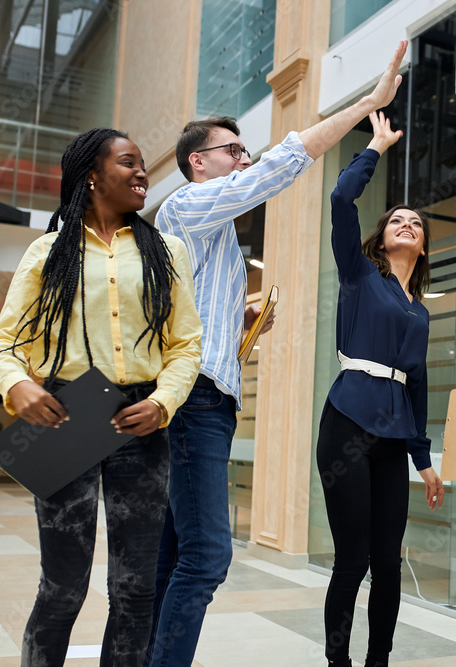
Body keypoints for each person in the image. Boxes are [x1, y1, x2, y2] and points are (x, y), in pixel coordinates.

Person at [145, 41, 412, 667]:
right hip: (196, 398)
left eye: (244, 148)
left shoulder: (211, 235)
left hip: (203, 392)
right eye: (232, 150)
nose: (244, 159)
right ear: (197, 164)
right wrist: (367, 107)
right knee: (209, 556)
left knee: (175, 553)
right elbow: (284, 164)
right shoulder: (186, 205)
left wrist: (244, 323)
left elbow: (190, 315)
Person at [0, 128, 202, 665]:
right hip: (64, 416)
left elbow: (186, 346)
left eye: (144, 165)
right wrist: (20, 385)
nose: (142, 173)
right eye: (128, 163)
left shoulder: (166, 251)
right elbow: (3, 343)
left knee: (136, 591)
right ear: (92, 175)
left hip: (141, 422)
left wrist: (163, 402)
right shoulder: (49, 251)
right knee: (62, 589)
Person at [317, 111, 444, 667]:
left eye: (416, 223)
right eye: (397, 219)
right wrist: (375, 147)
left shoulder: (419, 311)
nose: (407, 224)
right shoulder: (358, 274)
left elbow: (418, 385)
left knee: (388, 563)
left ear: (422, 245)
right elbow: (342, 202)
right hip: (347, 420)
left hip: (394, 439)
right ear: (382, 235)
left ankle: (378, 662)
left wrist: (425, 459)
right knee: (353, 560)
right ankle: (339, 662)